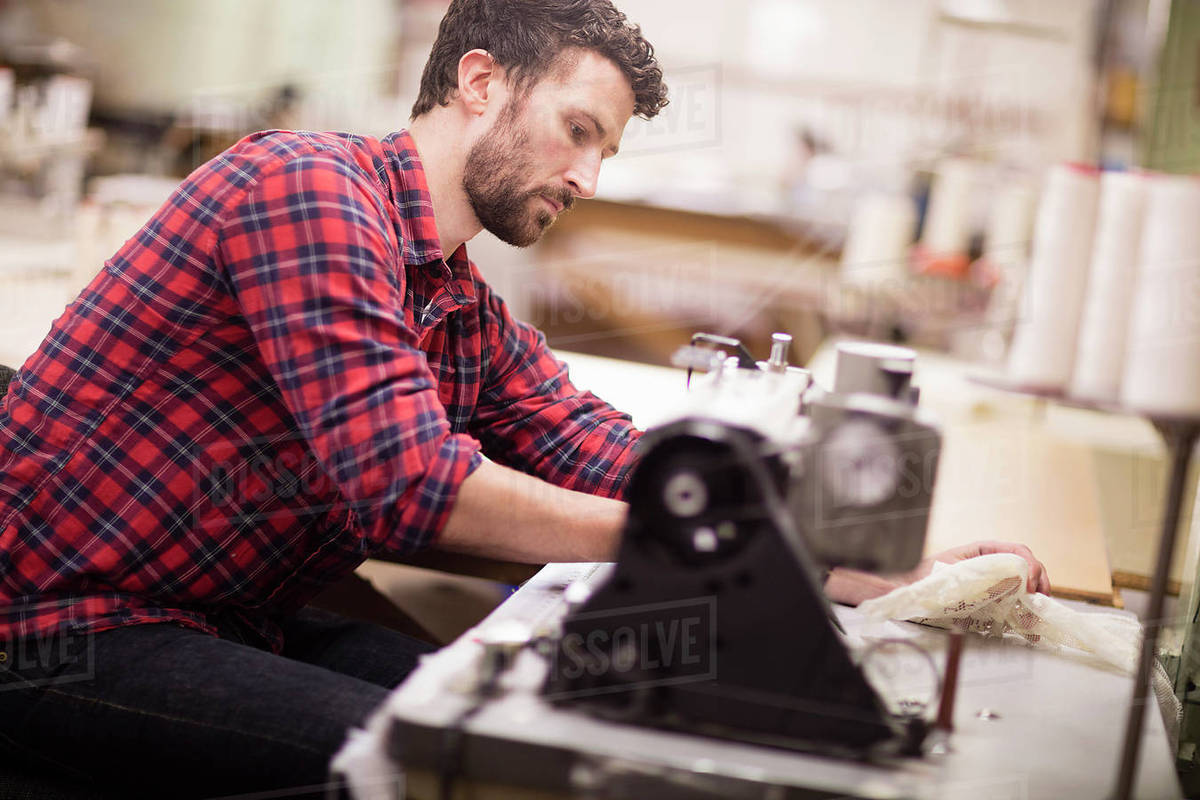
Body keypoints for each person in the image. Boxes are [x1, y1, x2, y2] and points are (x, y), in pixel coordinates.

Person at [0, 0, 1049, 796]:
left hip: (228, 616)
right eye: (580, 130)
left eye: (606, 148)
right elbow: (410, 487)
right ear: (480, 81)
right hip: (65, 628)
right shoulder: (306, 188)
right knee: (456, 767)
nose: (590, 176)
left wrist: (886, 569)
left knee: (517, 714)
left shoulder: (455, 298)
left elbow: (602, 448)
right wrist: (692, 534)